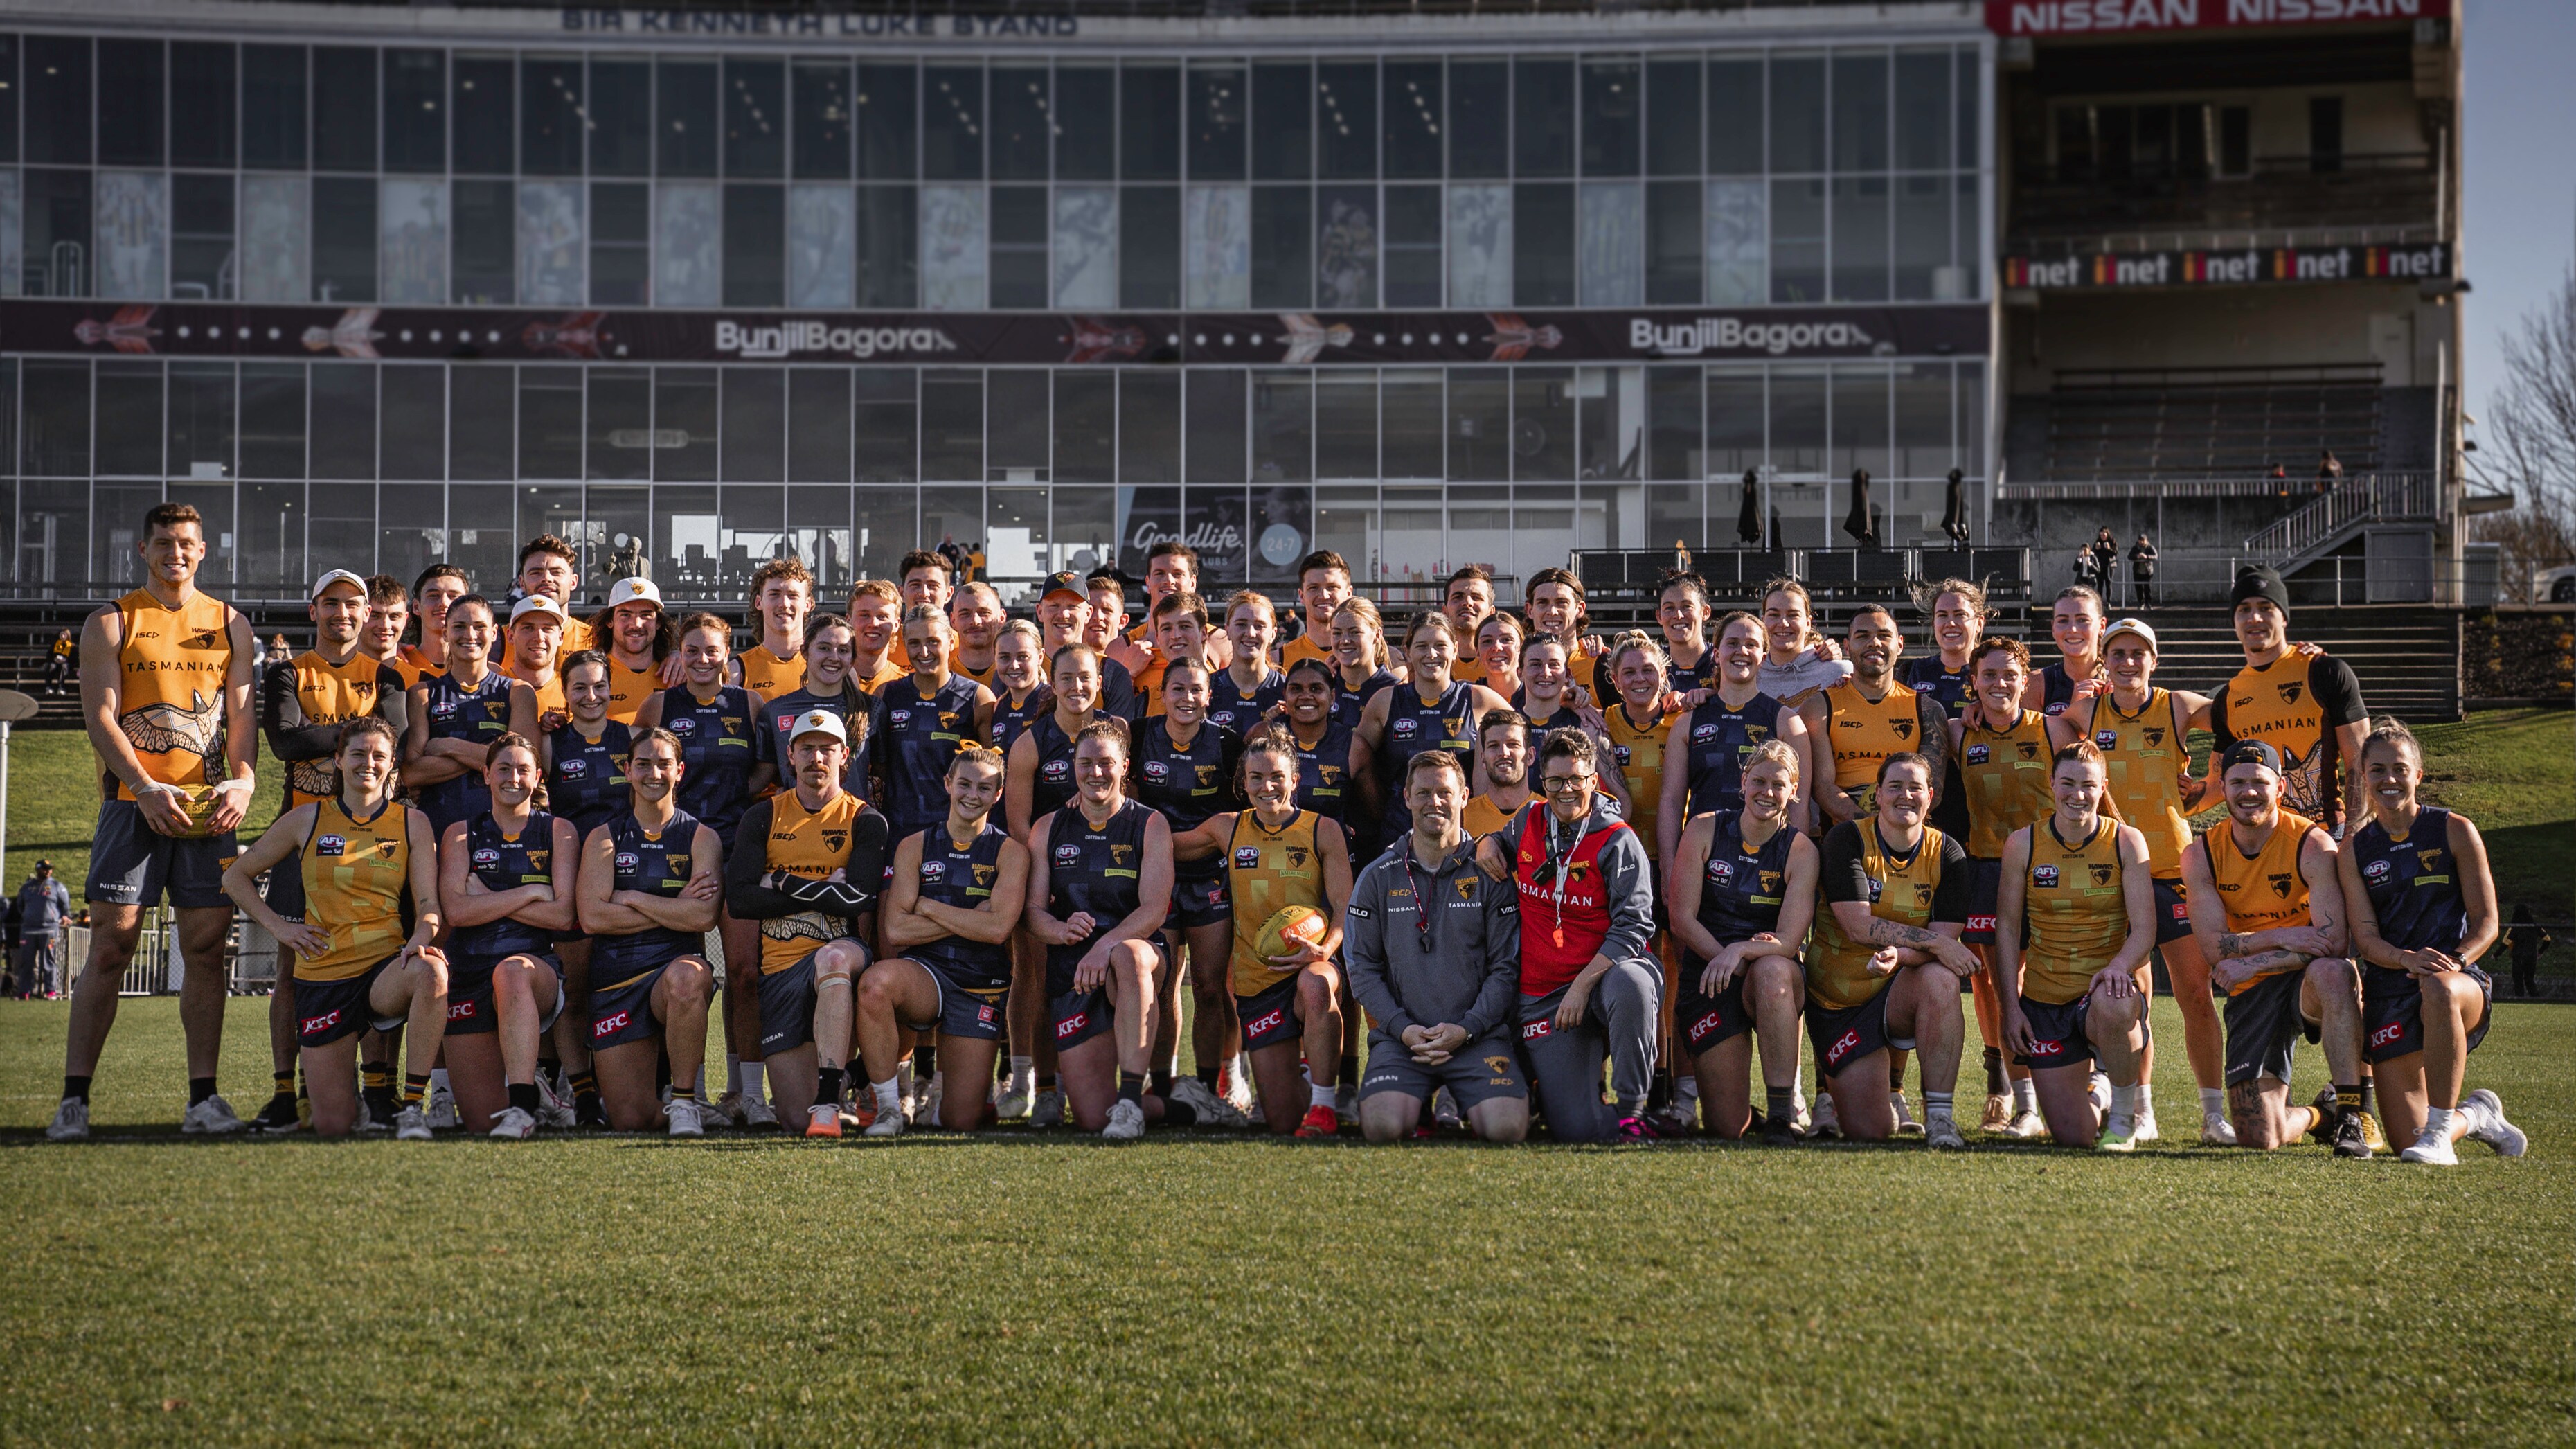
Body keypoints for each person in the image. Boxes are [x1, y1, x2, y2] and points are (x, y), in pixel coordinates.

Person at [50, 503, 260, 1142]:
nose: (176, 552)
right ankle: (74, 1102)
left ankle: (204, 1099)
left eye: (187, 543)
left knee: (205, 950)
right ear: (143, 550)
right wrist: (143, 787)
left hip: (207, 809)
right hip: (132, 804)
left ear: (204, 551)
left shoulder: (230, 622)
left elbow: (241, 718)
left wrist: (245, 781)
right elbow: (100, 717)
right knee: (112, 946)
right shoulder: (111, 621)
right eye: (164, 542)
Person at [219, 718, 447, 1140]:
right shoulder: (306, 819)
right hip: (324, 974)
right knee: (333, 1124)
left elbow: (429, 905)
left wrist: (421, 939)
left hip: (383, 970)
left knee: (432, 972)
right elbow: (235, 877)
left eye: (379, 756)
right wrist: (279, 928)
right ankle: (349, 1097)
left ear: (392, 764)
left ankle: (413, 1108)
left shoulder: (412, 822)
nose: (368, 763)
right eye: (358, 754)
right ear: (339, 760)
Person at [253, 569, 412, 1133]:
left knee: (378, 961)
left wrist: (323, 739)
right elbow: (284, 742)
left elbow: (395, 738)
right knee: (292, 966)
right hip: (303, 838)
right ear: (313, 610)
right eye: (331, 603)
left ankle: (379, 1090)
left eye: (352, 605)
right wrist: (361, 731)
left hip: (373, 839)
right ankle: (286, 1090)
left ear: (366, 615)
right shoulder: (286, 672)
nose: (342, 613)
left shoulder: (386, 673)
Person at [2338, 720, 2525, 1165]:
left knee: (2438, 988)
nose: (2389, 779)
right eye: (2378, 770)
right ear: (2363, 776)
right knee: (2406, 1142)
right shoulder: (2354, 851)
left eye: (2400, 769)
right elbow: (2365, 938)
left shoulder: (2454, 829)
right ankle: (2476, 1115)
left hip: (2457, 983)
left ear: (2418, 775)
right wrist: (2406, 959)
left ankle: (2441, 1132)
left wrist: (2455, 961)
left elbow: (2487, 922)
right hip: (2391, 990)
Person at [2076, 617, 2233, 1144]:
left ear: (2154, 660)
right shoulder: (2086, 711)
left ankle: (2213, 1115)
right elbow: (2039, 729)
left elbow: (2239, 716)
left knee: (2195, 994)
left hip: (2172, 867)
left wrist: (2210, 787)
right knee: (2134, 995)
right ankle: (2142, 1111)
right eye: (2117, 653)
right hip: (2113, 871)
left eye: (2138, 653)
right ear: (2104, 661)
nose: (2127, 662)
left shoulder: (2178, 705)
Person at [1474, 729, 1662, 1141]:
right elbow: (1501, 845)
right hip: (1544, 994)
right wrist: (1487, 841)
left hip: (1604, 979)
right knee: (1576, 1129)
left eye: (1576, 780)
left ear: (1594, 780)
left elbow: (1634, 928)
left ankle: (1633, 1110)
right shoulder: (1528, 819)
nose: (1566, 790)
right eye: (1556, 781)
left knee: (1634, 982)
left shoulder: (1618, 839)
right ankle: (1560, 1096)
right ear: (1542, 780)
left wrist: (1582, 986)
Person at [2180, 741, 2365, 1154]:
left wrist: (2253, 960)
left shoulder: (2312, 843)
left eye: (2260, 783)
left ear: (2280, 787)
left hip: (2306, 978)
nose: (2249, 792)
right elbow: (2215, 951)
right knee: (2258, 1136)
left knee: (2337, 973)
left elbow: (2334, 942)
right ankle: (2322, 1114)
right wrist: (2281, 936)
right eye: (2238, 783)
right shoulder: (2200, 855)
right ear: (2222, 788)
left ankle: (2351, 1114)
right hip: (2254, 990)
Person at [1176, 724, 1354, 1137]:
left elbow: (1345, 907)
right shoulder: (1228, 828)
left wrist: (1324, 951)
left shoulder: (1322, 829)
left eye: (1277, 777)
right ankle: (1304, 1081)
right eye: (1256, 777)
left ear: (1295, 779)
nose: (1267, 786)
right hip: (1256, 983)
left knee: (1316, 986)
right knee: (1282, 1120)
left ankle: (1325, 1105)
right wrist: (1112, 810)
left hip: (1310, 965)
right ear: (1243, 783)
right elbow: (1160, 844)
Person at [1346, 750, 1530, 1145]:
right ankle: (1422, 1099)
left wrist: (1468, 1029)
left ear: (1464, 797)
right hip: (1403, 1041)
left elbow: (1507, 968)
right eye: (1424, 793)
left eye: (1445, 792)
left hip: (1477, 1038)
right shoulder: (1377, 876)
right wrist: (1403, 1029)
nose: (1435, 802)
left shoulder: (1491, 873)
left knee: (1506, 1128)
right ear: (1407, 798)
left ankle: (1457, 1095)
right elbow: (1362, 968)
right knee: (1381, 1127)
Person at [634, 612, 774, 1126]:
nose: (701, 660)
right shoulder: (659, 705)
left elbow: (765, 767)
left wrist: (735, 799)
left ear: (727, 654)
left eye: (711, 650)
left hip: (737, 849)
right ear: (679, 653)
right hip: (677, 850)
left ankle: (746, 1092)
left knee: (744, 973)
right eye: (691, 650)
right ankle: (683, 1090)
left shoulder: (749, 703)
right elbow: (639, 770)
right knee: (683, 972)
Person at [724, 709, 891, 1136]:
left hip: (840, 954)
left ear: (845, 756)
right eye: (807, 749)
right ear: (791, 756)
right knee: (795, 1120)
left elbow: (857, 901)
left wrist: (781, 881)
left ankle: (829, 1099)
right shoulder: (762, 816)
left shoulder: (865, 819)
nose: (817, 758)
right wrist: (825, 890)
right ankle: (848, 1080)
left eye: (827, 750)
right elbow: (740, 900)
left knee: (833, 959)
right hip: (780, 969)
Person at [1023, 718, 1187, 1139]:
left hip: (1135, 958)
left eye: (1106, 763)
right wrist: (1061, 931)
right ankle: (1184, 1107)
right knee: (1094, 1119)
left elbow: (1155, 909)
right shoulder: (1047, 827)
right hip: (1076, 972)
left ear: (1125, 766)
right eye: (1086, 763)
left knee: (1127, 955)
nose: (1096, 772)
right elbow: (1033, 913)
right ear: (1073, 766)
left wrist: (1106, 945)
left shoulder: (1149, 823)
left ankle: (1130, 1102)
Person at [1948, 637, 2084, 1138]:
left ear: (2026, 681)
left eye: (2010, 675)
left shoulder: (2052, 729)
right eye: (1989, 675)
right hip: (1987, 869)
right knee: (1997, 984)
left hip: (2051, 868)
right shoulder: (1957, 733)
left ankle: (2081, 1087)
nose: (1999, 683)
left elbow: (2095, 789)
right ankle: (2016, 1097)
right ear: (1974, 682)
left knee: (2050, 979)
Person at [1805, 753, 1977, 1148]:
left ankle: (1940, 1118)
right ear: (1878, 795)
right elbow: (1858, 925)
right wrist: (1934, 943)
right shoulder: (1847, 839)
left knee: (1940, 979)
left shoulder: (1948, 853)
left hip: (1895, 994)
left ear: (1931, 796)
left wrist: (1903, 955)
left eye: (1915, 787)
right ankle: (1836, 1094)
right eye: (1895, 786)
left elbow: (1942, 949)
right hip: (1840, 1001)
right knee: (1871, 1130)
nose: (1906, 795)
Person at [1991, 743, 2157, 1149]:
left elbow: (2145, 929)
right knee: (2073, 1136)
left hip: (2103, 991)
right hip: (2046, 1000)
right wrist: (2011, 1007)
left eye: (2088, 785)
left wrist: (2119, 966)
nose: (2077, 794)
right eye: (2067, 783)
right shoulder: (2023, 844)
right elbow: (2008, 928)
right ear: (2051, 783)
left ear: (2103, 787)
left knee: (2116, 1000)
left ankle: (2123, 1121)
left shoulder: (2126, 840)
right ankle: (2100, 1090)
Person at [857, 745, 1028, 1135]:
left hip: (979, 985)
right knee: (875, 985)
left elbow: (997, 931)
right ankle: (888, 1109)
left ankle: (950, 1098)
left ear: (998, 794)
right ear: (948, 784)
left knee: (959, 1121)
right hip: (927, 975)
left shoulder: (1011, 853)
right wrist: (973, 917)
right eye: (964, 784)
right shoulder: (914, 845)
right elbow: (896, 930)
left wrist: (927, 907)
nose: (972, 795)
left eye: (985, 788)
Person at [1667, 738, 1818, 1145]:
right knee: (1726, 1126)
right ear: (1743, 781)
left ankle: (1782, 1115)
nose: (1767, 792)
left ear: (1793, 790)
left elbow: (1788, 942)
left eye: (1779, 785)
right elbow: (1681, 919)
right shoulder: (1704, 828)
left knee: (1772, 972)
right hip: (1710, 974)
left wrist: (1740, 951)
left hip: (1765, 970)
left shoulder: (1801, 850)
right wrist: (1725, 958)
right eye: (1759, 781)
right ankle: (1747, 1113)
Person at [575, 726, 721, 1135]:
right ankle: (666, 1105)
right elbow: (593, 918)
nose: (653, 773)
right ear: (627, 770)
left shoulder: (701, 838)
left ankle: (686, 1102)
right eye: (643, 764)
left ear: (680, 771)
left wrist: (632, 897)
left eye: (663, 764)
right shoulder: (604, 838)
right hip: (617, 980)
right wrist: (676, 907)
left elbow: (703, 918)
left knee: (687, 979)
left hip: (672, 971)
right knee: (631, 1120)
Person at [437, 733, 578, 1137]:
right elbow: (457, 912)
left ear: (537, 778)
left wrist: (485, 896)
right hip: (469, 973)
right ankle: (538, 1089)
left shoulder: (559, 831)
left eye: (522, 770)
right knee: (481, 1121)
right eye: (503, 769)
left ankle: (523, 1107)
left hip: (533, 971)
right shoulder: (460, 834)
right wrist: (531, 891)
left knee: (511, 972)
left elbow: (563, 915)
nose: (513, 778)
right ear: (486, 774)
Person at [1132, 654, 1250, 1124]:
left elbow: (1240, 817)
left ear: (1209, 696)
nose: (1187, 697)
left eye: (1196, 689)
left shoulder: (1227, 744)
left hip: (1210, 880)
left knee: (1208, 987)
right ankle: (1162, 1088)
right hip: (1156, 880)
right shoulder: (1138, 735)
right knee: (1163, 987)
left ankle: (1206, 1088)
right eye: (1177, 688)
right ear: (1162, 694)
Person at [2204, 565, 2369, 837]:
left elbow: (2360, 763)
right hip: (2262, 841)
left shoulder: (2325, 672)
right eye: (2244, 609)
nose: (2254, 617)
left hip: (2328, 834)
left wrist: (2353, 836)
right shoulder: (2228, 698)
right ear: (2234, 621)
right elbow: (2214, 786)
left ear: (2284, 617)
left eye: (2266, 607)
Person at [1353, 613, 1510, 860]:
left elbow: (1524, 740)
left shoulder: (1480, 699)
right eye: (1422, 646)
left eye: (1440, 645)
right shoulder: (1385, 701)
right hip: (1399, 837)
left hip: (1462, 840)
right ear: (1407, 652)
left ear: (1455, 650)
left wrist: (1569, 700)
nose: (1432, 654)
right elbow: (1356, 758)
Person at [1665, 614, 1814, 853]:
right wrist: (1669, 864)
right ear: (1716, 654)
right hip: (1701, 855)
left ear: (1763, 658)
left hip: (1765, 859)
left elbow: (1799, 804)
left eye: (1751, 644)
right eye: (1733, 643)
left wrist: (1792, 861)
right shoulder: (1688, 722)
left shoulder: (1787, 723)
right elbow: (1672, 801)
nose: (1742, 651)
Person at [1800, 605, 1949, 832]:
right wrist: (1871, 828)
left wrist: (1889, 830)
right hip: (1846, 835)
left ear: (1900, 644)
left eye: (1884, 635)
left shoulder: (1927, 710)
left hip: (1905, 834)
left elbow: (1931, 790)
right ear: (1847, 646)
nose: (1874, 643)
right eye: (1863, 636)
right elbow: (1822, 787)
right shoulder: (1819, 707)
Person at [404, 596, 540, 843]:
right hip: (437, 830)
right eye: (459, 627)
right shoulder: (423, 694)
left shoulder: (518, 692)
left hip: (501, 833)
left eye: (479, 627)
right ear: (445, 633)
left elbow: (521, 766)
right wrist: (492, 756)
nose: (470, 635)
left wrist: (448, 746)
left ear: (494, 633)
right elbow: (412, 773)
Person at [873, 605, 996, 846]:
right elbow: (879, 768)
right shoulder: (887, 695)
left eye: (933, 641)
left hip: (955, 834)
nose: (924, 652)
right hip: (897, 831)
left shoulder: (978, 698)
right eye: (915, 643)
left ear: (951, 641)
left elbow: (993, 774)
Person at [1280, 657, 1357, 841]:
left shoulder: (1353, 746)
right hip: (1275, 848)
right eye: (1296, 689)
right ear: (1285, 695)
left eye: (1316, 689)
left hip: (1331, 848)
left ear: (1332, 697)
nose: (1306, 696)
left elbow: (1371, 813)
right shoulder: (1265, 735)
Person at [497, 535, 596, 669]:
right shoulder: (499, 641)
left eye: (556, 572)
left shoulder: (594, 639)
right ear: (522, 583)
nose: (546, 578)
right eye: (536, 573)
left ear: (573, 581)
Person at [585, 576, 671, 723]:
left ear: (658, 622)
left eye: (646, 615)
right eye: (626, 615)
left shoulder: (675, 675)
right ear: (610, 621)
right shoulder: (589, 675)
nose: (636, 624)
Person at [1755, 578, 1850, 707]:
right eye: (1774, 615)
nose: (1783, 623)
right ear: (1763, 621)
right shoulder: (1749, 674)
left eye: (1793, 615)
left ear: (1808, 624)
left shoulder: (1837, 672)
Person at [1208, 592, 1287, 737]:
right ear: (1228, 630)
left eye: (1259, 626)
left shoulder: (1286, 691)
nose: (1250, 633)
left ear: (1273, 634)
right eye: (1241, 625)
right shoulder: (1208, 687)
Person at [735, 558, 813, 704]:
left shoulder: (826, 665)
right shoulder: (738, 671)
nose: (784, 604)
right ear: (759, 602)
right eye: (774, 594)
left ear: (808, 604)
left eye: (793, 595)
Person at [2022, 585, 2106, 719]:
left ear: (2102, 626)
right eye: (2063, 621)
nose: (2072, 629)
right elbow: (2033, 733)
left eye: (2082, 620)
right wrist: (2075, 710)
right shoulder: (2037, 684)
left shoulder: (2118, 683)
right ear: (2053, 628)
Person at [1326, 596, 1402, 733]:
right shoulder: (1323, 684)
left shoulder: (1394, 691)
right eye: (1337, 633)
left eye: (1355, 632)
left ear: (1377, 635)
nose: (1344, 640)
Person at [1462, 709, 1537, 841]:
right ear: (1483, 759)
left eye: (1513, 744)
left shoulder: (1548, 812)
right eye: (1494, 745)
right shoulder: (1463, 815)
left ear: (1530, 756)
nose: (1503, 753)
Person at [499, 595, 570, 720]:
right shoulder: (494, 689)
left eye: (547, 629)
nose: (539, 637)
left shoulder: (573, 691)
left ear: (560, 637)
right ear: (510, 636)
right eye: (528, 628)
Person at [1282, 550, 1354, 674]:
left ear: (1349, 594)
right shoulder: (1279, 659)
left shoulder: (1372, 658)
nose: (1324, 595)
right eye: (1314, 588)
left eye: (1332, 587)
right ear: (1302, 596)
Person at [1656, 573, 1717, 697]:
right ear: (1659, 616)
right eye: (1669, 608)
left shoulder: (1721, 660)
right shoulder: (1651, 663)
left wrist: (1715, 698)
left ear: (1705, 612)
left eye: (1687, 607)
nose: (1678, 615)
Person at [15, 862, 69, 1001]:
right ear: (38, 870)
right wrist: (28, 917)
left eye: (50, 869)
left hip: (49, 929)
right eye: (45, 869)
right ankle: (25, 991)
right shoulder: (27, 887)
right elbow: (20, 905)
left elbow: (65, 906)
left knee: (48, 961)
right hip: (29, 930)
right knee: (26, 962)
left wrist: (63, 917)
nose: (48, 872)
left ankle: (50, 991)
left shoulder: (57, 886)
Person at [404, 565, 470, 679]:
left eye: (453, 596)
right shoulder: (398, 665)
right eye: (434, 596)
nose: (444, 603)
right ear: (416, 607)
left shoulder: (481, 671)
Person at [844, 579, 908, 695]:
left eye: (882, 616)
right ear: (848, 621)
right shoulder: (828, 679)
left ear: (896, 624)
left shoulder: (905, 685)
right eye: (864, 615)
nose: (873, 623)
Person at [1442, 565, 1499, 685]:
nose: (1468, 602)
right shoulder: (1433, 660)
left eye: (1476, 597)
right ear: (1445, 612)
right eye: (1458, 597)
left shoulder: (1504, 661)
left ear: (1491, 612)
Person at [947, 581, 1006, 686]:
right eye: (965, 614)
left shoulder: (1015, 676)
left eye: (984, 613)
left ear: (1001, 618)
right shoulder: (941, 678)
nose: (975, 621)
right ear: (953, 620)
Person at [1474, 612, 1528, 704]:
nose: (1497, 647)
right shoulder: (1467, 698)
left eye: (1507, 640)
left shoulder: (1538, 696)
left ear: (1522, 648)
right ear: (1477, 651)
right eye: (1487, 641)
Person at [2505, 905, 2551, 999]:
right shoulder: (2535, 926)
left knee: (2518, 980)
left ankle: (2520, 998)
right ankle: (2536, 998)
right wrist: (2541, 951)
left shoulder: (2515, 927)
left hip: (2518, 956)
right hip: (2531, 956)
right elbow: (2547, 939)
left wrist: (2498, 954)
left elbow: (2506, 942)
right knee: (2529, 979)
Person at [2128, 533, 2158, 607]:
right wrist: (2137, 556)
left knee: (2148, 588)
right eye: (2140, 540)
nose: (2141, 542)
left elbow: (2155, 556)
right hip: (2137, 572)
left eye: (2143, 540)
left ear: (2146, 540)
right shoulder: (2135, 548)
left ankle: (2148, 604)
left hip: (2148, 572)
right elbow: (2129, 556)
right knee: (2139, 589)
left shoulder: (2150, 547)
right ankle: (2141, 603)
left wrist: (2147, 557)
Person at [44, 627, 73, 695]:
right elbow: (49, 655)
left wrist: (65, 660)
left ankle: (61, 687)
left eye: (64, 635)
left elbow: (74, 658)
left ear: (68, 636)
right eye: (61, 634)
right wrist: (54, 659)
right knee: (51, 666)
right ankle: (49, 687)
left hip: (66, 663)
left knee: (64, 667)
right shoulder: (55, 644)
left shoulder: (71, 646)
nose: (63, 636)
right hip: (55, 662)